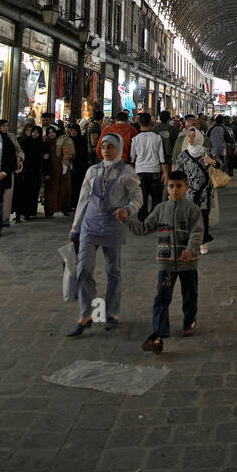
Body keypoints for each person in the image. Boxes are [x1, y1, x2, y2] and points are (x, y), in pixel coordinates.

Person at [67, 133, 143, 336]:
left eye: (110, 147)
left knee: (113, 271)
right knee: (84, 268)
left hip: (113, 226)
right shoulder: (93, 171)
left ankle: (111, 313)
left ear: (118, 148)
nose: (106, 151)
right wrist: (75, 228)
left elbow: (137, 197)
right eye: (103, 147)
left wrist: (128, 210)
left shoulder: (127, 172)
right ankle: (86, 314)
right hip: (90, 226)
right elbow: (83, 200)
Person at [130, 171, 204, 354]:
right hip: (166, 263)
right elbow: (145, 227)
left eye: (179, 186)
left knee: (190, 294)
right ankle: (159, 333)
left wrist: (190, 249)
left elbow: (197, 232)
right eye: (172, 186)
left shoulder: (192, 210)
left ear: (186, 187)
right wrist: (128, 220)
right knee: (162, 297)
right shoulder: (160, 209)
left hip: (188, 263)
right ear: (167, 188)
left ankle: (189, 321)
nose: (175, 189)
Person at [175, 126, 216, 249]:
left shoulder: (206, 152)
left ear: (199, 137)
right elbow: (179, 173)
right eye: (189, 136)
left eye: (194, 136)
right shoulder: (183, 155)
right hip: (189, 191)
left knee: (203, 216)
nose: (191, 138)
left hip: (205, 190)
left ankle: (203, 242)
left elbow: (220, 166)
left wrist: (212, 162)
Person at [130, 113, 168, 221]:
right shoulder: (157, 138)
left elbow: (132, 158)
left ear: (139, 123)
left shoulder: (135, 139)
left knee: (142, 198)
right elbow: (162, 158)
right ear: (151, 122)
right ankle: (153, 219)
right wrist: (165, 173)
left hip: (140, 171)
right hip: (155, 171)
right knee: (156, 198)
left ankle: (142, 220)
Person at [43, 125, 74, 217]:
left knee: (64, 190)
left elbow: (68, 153)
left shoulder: (61, 141)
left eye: (53, 132)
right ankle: (50, 211)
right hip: (51, 170)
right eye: (49, 133)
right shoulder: (46, 143)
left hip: (62, 168)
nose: (51, 134)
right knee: (51, 191)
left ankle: (64, 208)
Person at [0, 119, 24, 228]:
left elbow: (19, 150)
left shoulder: (11, 137)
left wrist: (19, 159)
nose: (6, 128)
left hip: (9, 169)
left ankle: (4, 218)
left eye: (7, 126)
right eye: (3, 126)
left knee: (7, 194)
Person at [17, 125, 45, 220]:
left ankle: (31, 211)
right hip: (26, 170)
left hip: (36, 171)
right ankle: (24, 212)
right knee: (25, 192)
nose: (34, 134)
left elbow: (44, 157)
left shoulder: (41, 144)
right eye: (33, 132)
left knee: (33, 192)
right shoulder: (25, 142)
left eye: (37, 133)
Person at [67, 124, 89, 213]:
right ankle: (70, 204)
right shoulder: (68, 140)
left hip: (80, 166)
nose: (73, 132)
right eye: (71, 130)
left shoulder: (82, 140)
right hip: (70, 166)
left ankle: (77, 203)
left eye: (74, 130)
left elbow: (84, 153)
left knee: (79, 185)